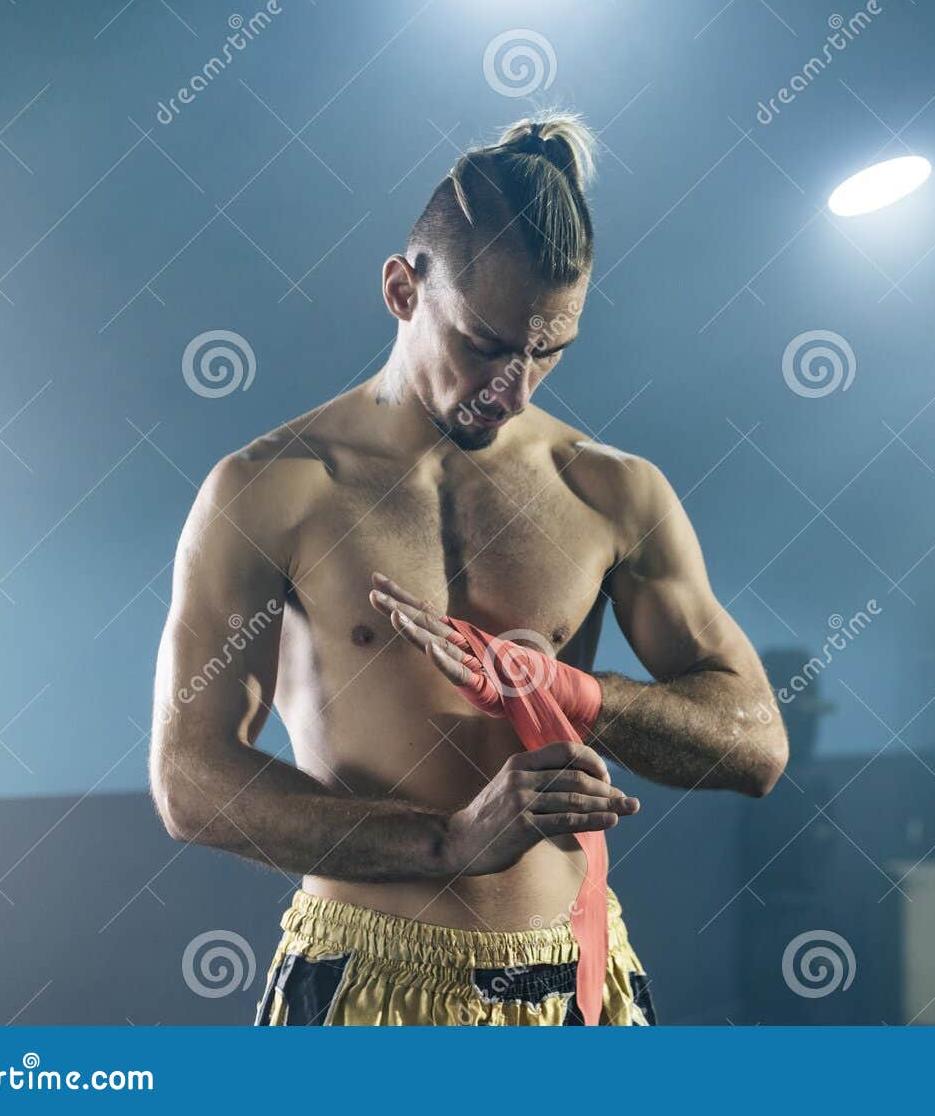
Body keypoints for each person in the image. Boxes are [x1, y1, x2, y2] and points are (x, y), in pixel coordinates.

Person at [148, 111, 788, 1026]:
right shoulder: (272, 491)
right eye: (485, 343)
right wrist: (449, 841)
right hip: (363, 980)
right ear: (402, 289)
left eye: (548, 349)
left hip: (574, 979)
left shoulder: (608, 490)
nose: (512, 388)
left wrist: (567, 690)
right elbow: (190, 777)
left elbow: (757, 743)